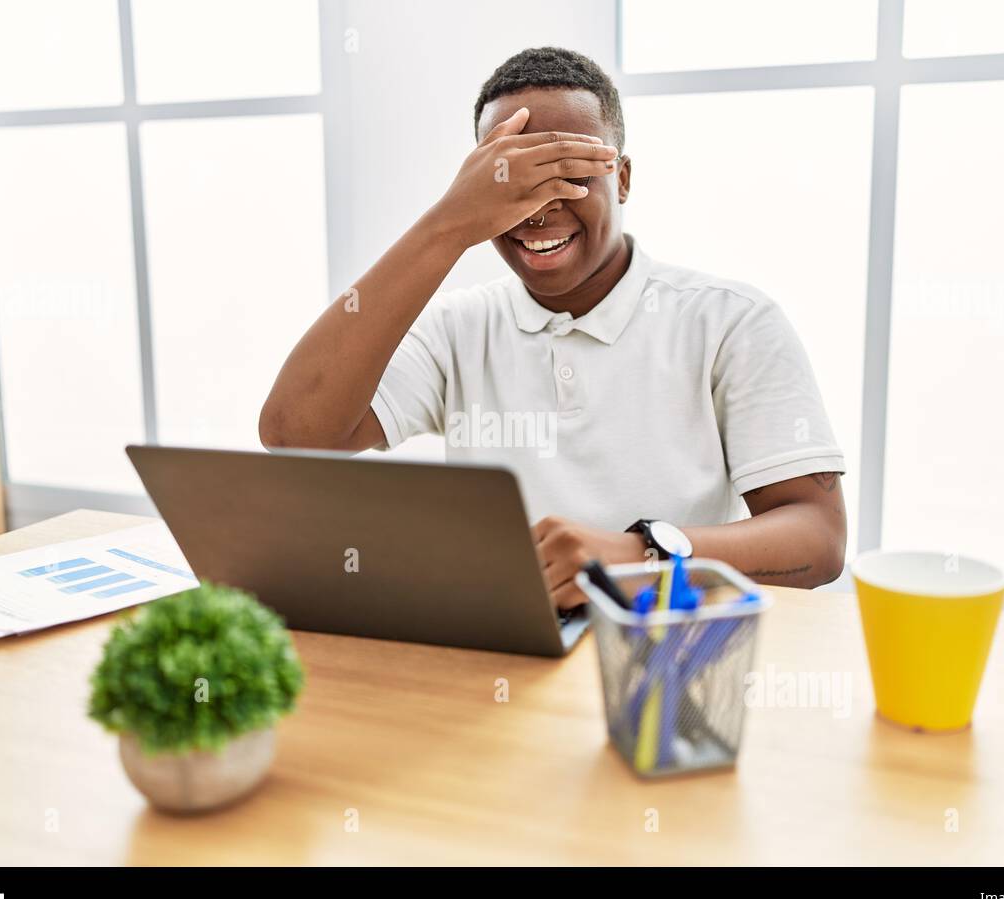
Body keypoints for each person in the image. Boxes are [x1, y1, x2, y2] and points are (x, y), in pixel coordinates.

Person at [260, 47, 846, 609]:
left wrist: (640, 556)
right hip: (501, 659)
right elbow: (295, 432)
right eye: (511, 180)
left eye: (570, 173)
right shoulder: (459, 328)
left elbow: (818, 539)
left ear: (622, 179)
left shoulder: (730, 321)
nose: (538, 209)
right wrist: (446, 225)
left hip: (658, 657)